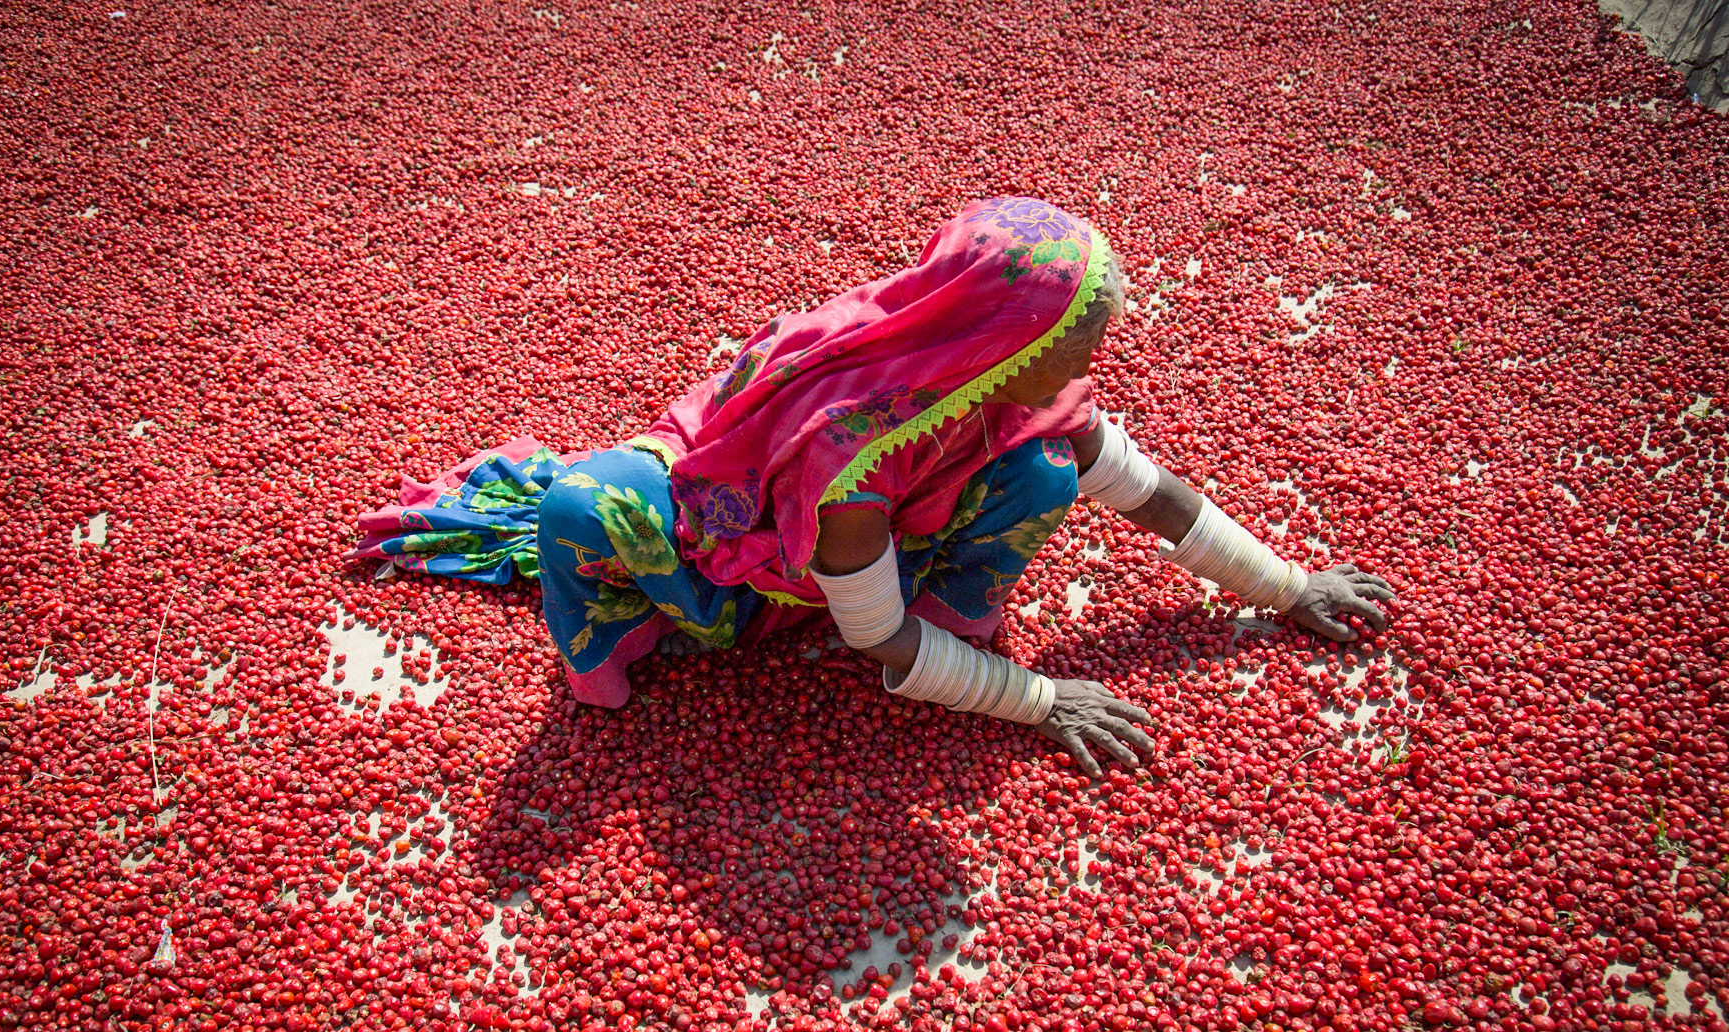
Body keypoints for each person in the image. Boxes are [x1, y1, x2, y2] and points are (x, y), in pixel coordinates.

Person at [351, 196, 1395, 777]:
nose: (1089, 360)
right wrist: (1036, 702)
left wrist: (1287, 588)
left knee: (1041, 466)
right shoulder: (850, 458)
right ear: (1001, 342)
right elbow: (877, 642)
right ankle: (626, 640)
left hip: (871, 558)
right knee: (585, 505)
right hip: (751, 546)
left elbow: (1149, 491)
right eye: (1072, 341)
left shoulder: (1004, 387)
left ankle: (949, 613)